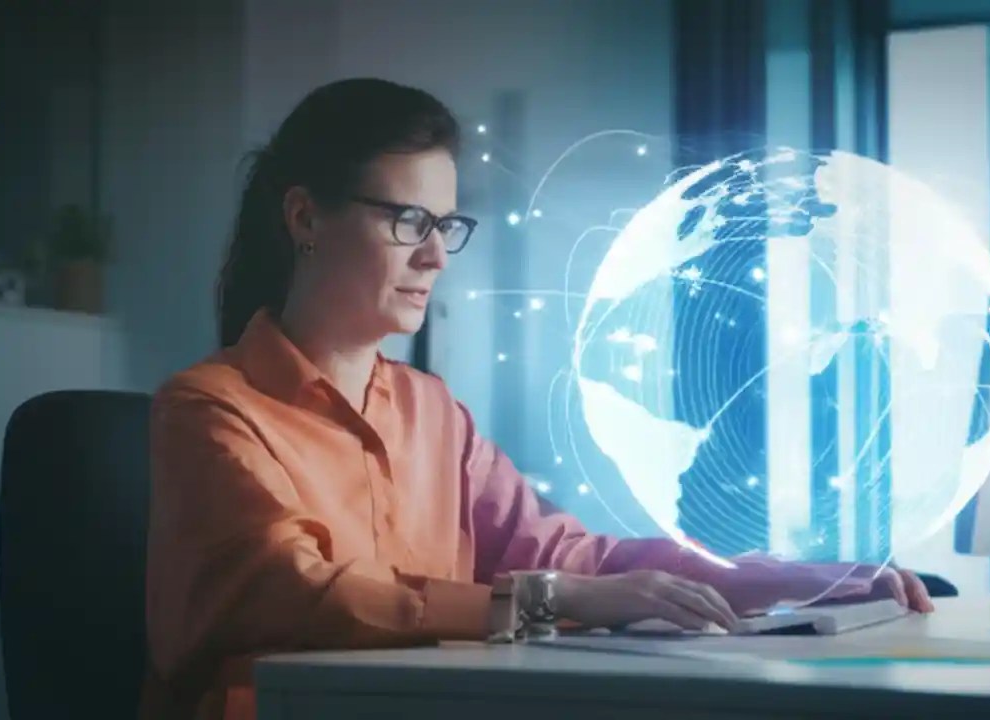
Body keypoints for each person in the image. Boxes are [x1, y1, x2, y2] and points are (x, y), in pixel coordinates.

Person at [143, 78, 933, 720]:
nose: (433, 256)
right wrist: (551, 601)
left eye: (446, 226)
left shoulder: (431, 411)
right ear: (305, 216)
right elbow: (310, 594)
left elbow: (572, 559)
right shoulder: (210, 410)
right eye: (408, 219)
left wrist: (784, 581)